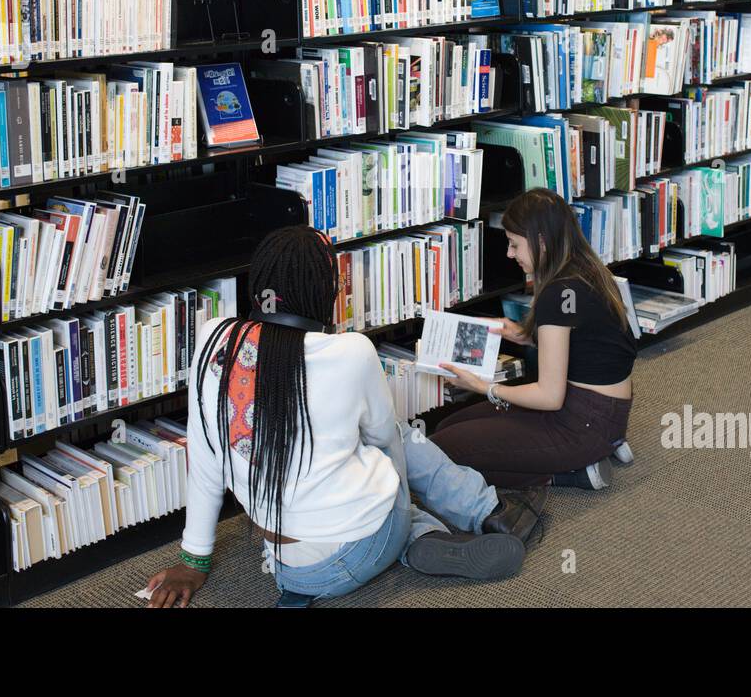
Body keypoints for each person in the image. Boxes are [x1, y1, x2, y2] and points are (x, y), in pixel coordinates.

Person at [146, 225, 544, 608]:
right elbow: (386, 441)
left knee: (353, 453)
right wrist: (399, 497)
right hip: (364, 544)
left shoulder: (213, 338)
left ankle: (422, 538)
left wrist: (193, 560)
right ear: (328, 291)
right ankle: (478, 514)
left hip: (292, 572)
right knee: (400, 433)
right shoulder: (351, 351)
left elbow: (204, 460)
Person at [430, 188, 638, 491]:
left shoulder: (557, 293)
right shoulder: (588, 271)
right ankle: (600, 447)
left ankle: (563, 474)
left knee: (440, 451)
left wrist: (483, 387)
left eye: (515, 245)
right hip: (605, 412)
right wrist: (523, 335)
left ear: (541, 241)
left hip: (578, 422)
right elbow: (592, 344)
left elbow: (548, 397)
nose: (509, 254)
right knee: (447, 428)